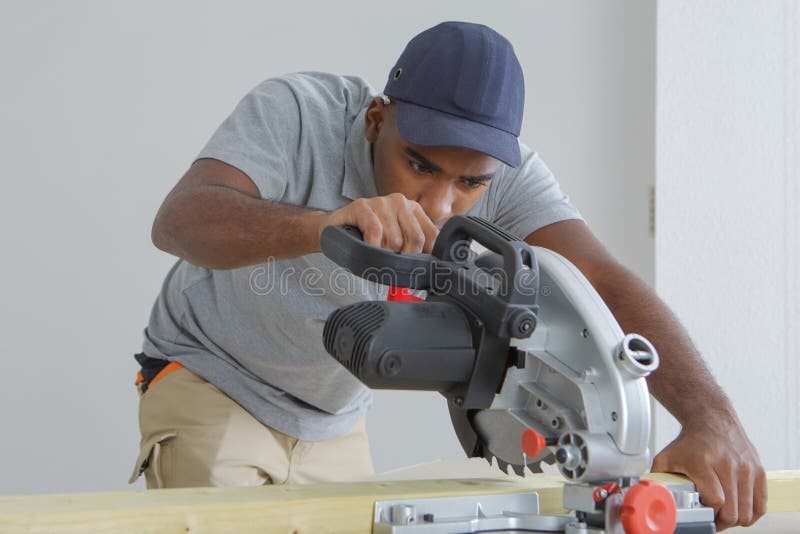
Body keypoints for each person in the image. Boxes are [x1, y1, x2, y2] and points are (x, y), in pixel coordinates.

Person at [129, 21, 765, 530]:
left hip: (332, 414)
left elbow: (597, 277)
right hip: (213, 378)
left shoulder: (508, 173)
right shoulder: (297, 112)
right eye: (419, 164)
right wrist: (326, 225)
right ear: (377, 118)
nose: (439, 204)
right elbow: (180, 221)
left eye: (470, 183)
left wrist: (713, 420)